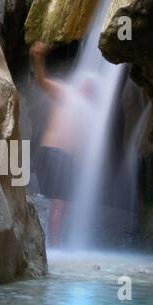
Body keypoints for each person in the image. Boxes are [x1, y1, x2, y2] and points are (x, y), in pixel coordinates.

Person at [29, 40, 96, 247]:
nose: (88, 89)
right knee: (60, 202)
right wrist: (38, 58)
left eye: (92, 88)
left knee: (64, 203)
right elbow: (43, 82)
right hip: (54, 152)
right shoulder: (67, 93)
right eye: (86, 85)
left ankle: (58, 244)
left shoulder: (87, 110)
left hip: (65, 157)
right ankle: (55, 247)